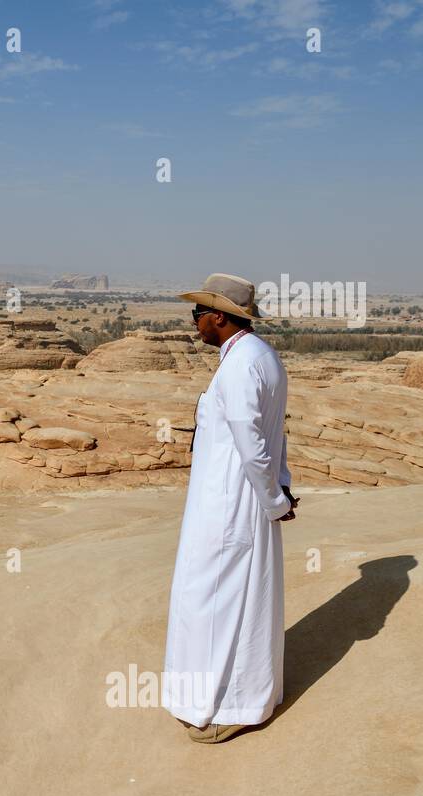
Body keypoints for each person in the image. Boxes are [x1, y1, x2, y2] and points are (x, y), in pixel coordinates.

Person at [162, 273, 298, 744]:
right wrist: (278, 491)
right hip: (237, 500)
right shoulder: (256, 356)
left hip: (230, 506)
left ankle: (219, 707)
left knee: (213, 601)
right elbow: (272, 439)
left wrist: (275, 499)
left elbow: (253, 444)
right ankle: (241, 697)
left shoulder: (242, 364)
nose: (194, 322)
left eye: (199, 314)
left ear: (219, 317)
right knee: (240, 599)